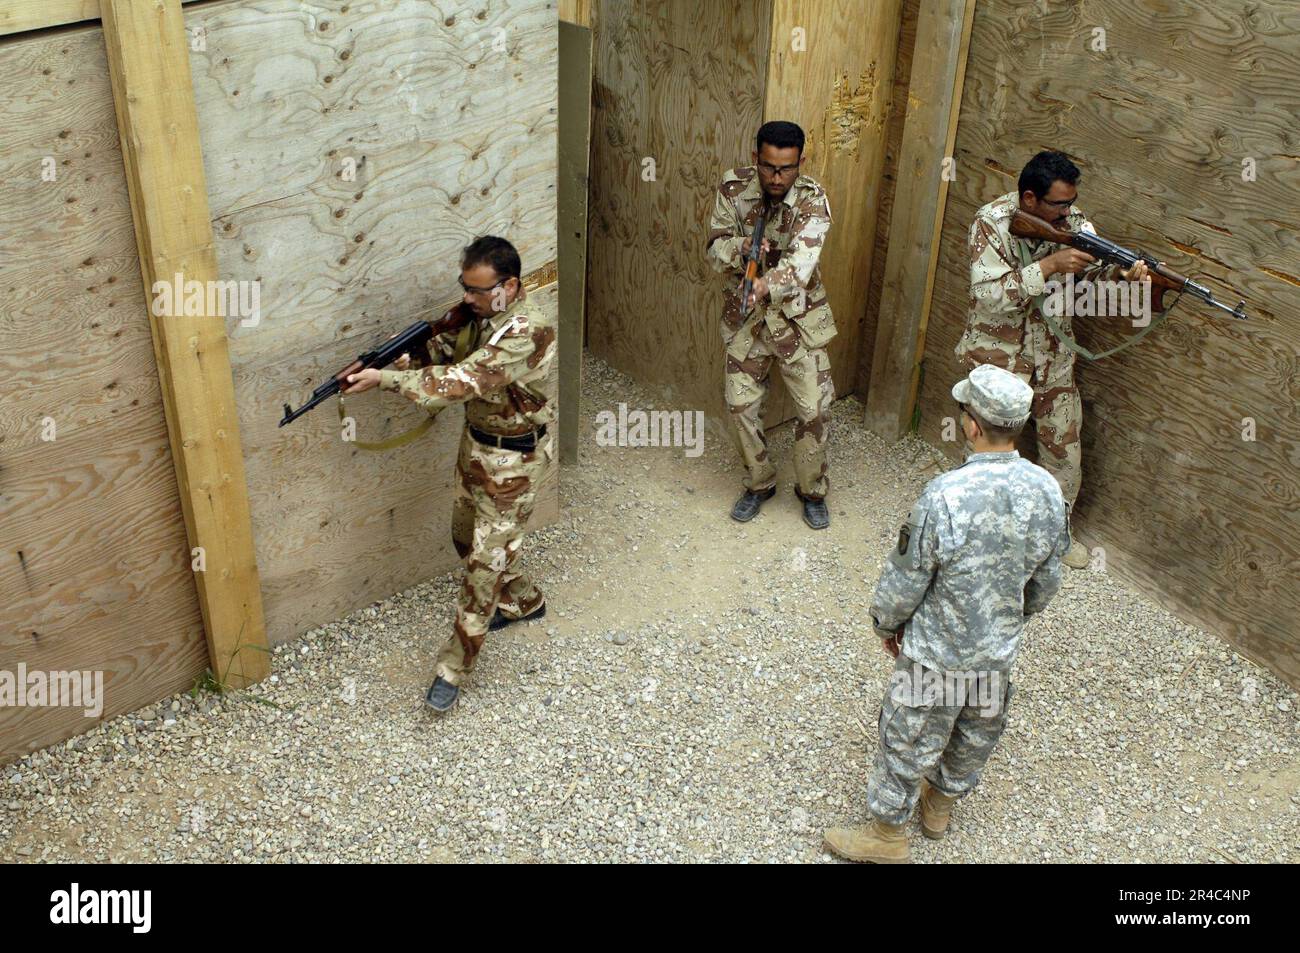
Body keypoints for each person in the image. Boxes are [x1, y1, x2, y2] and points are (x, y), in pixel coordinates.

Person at [824, 364, 1070, 863]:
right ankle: (940, 804)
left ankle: (887, 835)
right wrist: (1007, 622)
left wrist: (887, 625)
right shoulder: (1048, 490)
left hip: (935, 655)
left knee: (906, 734)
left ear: (973, 425)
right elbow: (1046, 582)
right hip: (996, 653)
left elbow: (906, 577)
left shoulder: (944, 495)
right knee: (977, 730)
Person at [343, 236, 555, 712]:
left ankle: (452, 670)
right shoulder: (479, 317)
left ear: (511, 286)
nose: (467, 298)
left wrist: (386, 380)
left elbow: (462, 381)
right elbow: (445, 351)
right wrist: (403, 359)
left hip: (514, 463)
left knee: (481, 572)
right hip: (477, 449)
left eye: (478, 290)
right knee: (466, 540)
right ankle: (524, 599)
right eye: (465, 287)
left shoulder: (527, 330)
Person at [956, 150, 1149, 568]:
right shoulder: (992, 222)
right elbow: (988, 295)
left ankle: (1054, 538)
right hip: (999, 363)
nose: (1069, 212)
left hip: (1054, 360)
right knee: (986, 456)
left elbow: (1092, 278)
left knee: (1064, 454)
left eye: (1071, 202)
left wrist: (1121, 273)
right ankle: (971, 535)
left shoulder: (1076, 223)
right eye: (1059, 205)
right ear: (1030, 199)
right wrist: (1046, 267)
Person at [706, 120, 837, 530]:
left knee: (814, 410)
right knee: (740, 406)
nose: (776, 178)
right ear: (754, 159)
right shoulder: (732, 187)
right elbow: (713, 248)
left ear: (800, 163)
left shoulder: (813, 201)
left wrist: (760, 283)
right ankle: (760, 483)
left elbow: (800, 267)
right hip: (748, 323)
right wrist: (741, 247)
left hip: (797, 321)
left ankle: (811, 490)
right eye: (767, 167)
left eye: (786, 168)